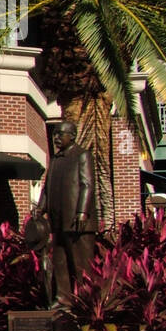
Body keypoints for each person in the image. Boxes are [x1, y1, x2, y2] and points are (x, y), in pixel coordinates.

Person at [35, 121, 98, 302]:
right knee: (60, 263)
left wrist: (82, 212)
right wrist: (40, 208)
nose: (56, 138)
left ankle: (85, 301)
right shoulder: (55, 159)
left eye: (60, 134)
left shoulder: (82, 155)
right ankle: (63, 299)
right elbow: (47, 188)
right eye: (54, 134)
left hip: (77, 222)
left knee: (80, 264)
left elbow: (87, 185)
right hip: (58, 221)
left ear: (72, 135)